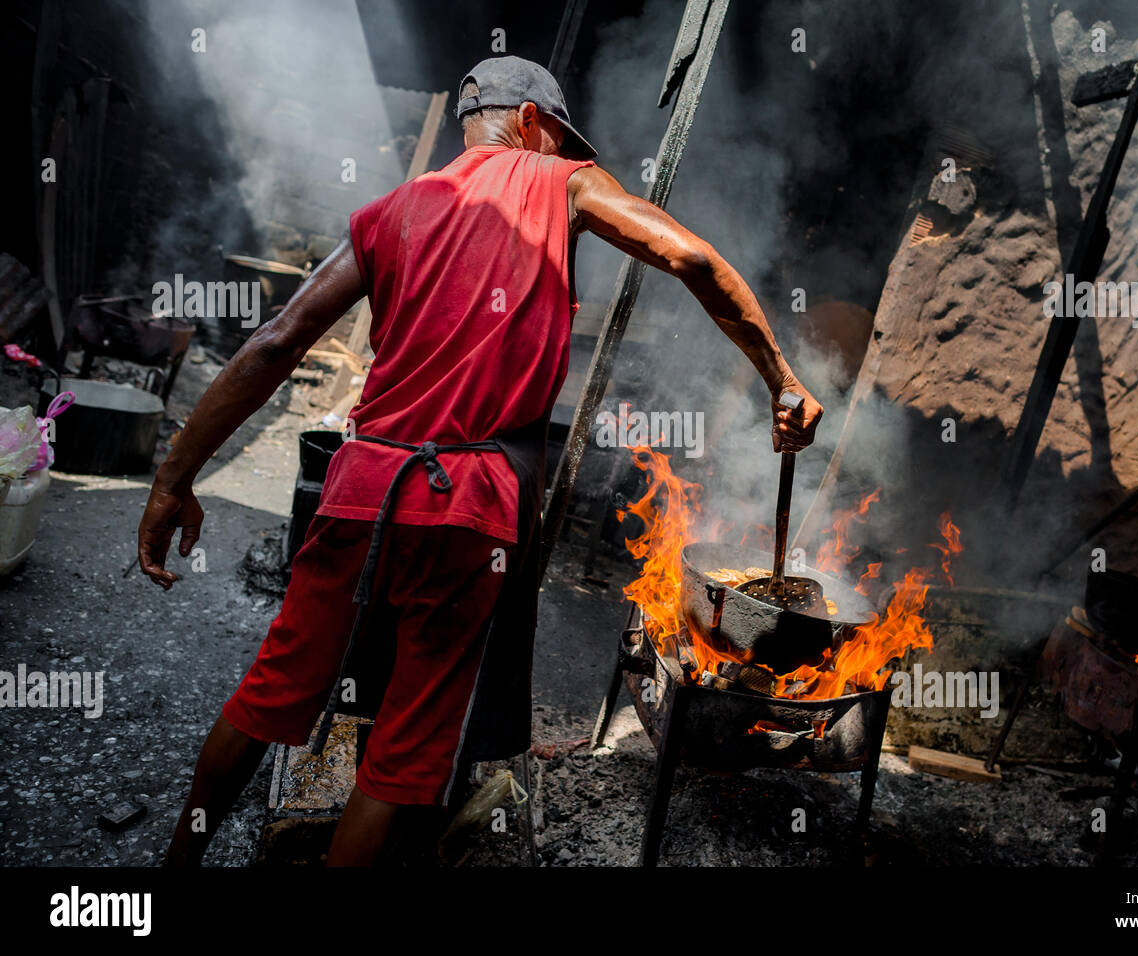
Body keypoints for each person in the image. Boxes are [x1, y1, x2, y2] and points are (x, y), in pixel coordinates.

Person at [139, 55, 823, 866]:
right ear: (533, 122)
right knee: (404, 747)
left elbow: (273, 342)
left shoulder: (390, 208)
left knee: (270, 695)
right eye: (559, 138)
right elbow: (692, 260)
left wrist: (173, 478)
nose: (564, 151)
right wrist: (780, 377)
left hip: (360, 485)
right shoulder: (564, 181)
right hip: (468, 505)